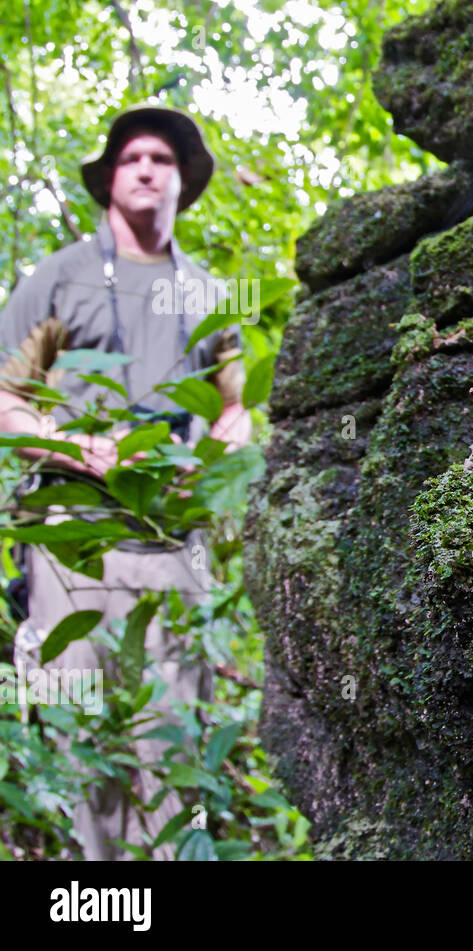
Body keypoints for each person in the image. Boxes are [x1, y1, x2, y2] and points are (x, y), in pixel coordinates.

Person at [0, 105, 250, 859]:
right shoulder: (58, 277)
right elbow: (6, 400)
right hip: (72, 537)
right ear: (111, 176)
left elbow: (237, 410)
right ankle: (89, 890)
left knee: (172, 730)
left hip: (173, 538)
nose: (147, 167)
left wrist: (204, 463)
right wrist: (82, 448)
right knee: (79, 727)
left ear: (182, 182)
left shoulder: (213, 293)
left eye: (163, 159)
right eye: (133, 156)